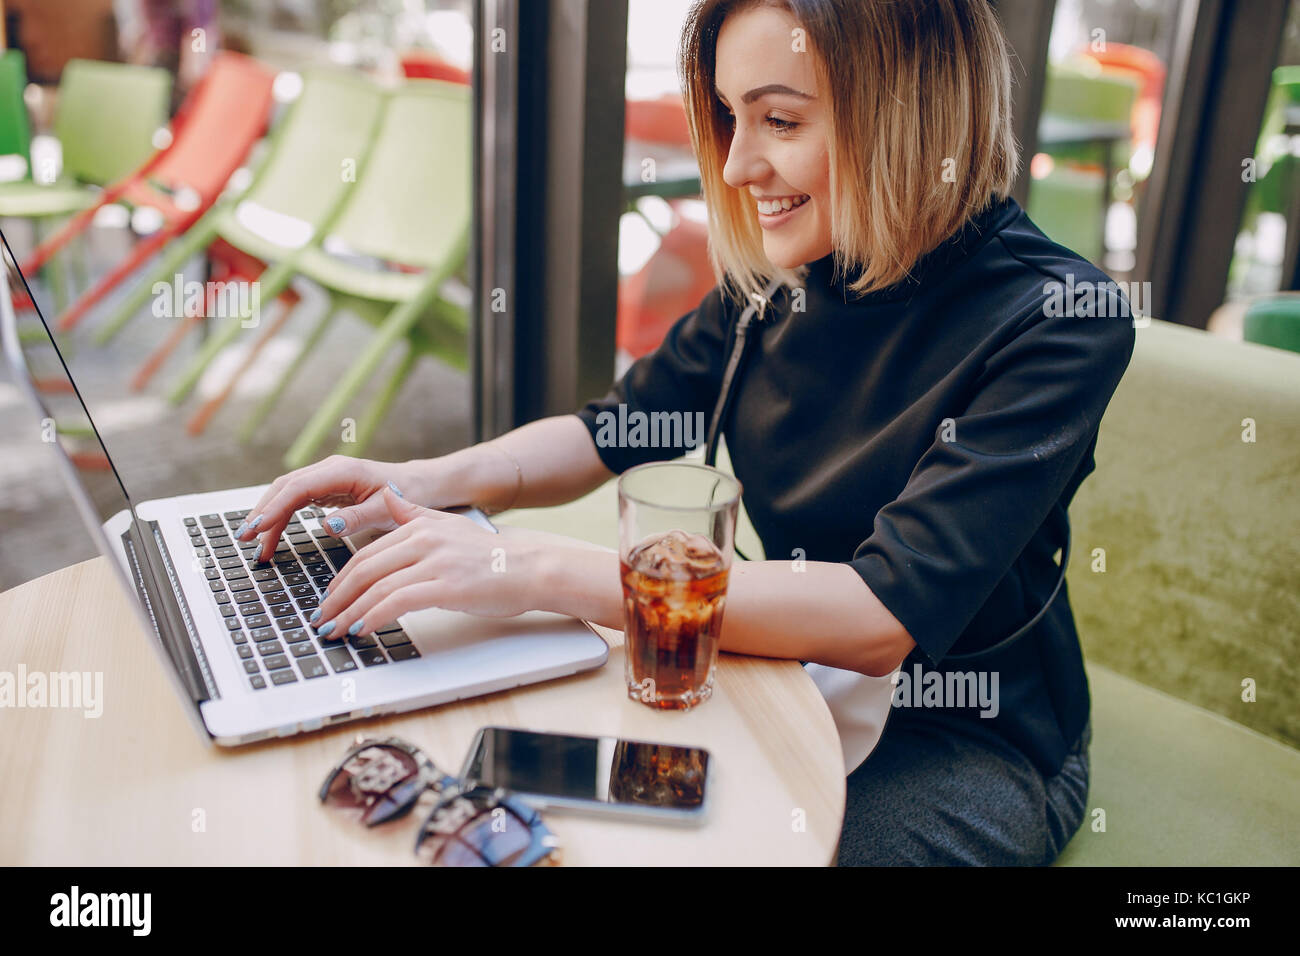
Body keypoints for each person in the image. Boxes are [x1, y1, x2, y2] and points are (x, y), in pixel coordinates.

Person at [237, 0, 1134, 865]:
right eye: (728, 117)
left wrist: (532, 570)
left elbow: (880, 616)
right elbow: (613, 431)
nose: (739, 166)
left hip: (962, 734)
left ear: (912, 111)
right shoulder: (785, 279)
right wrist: (428, 480)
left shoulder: (1058, 320)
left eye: (779, 121)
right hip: (780, 670)